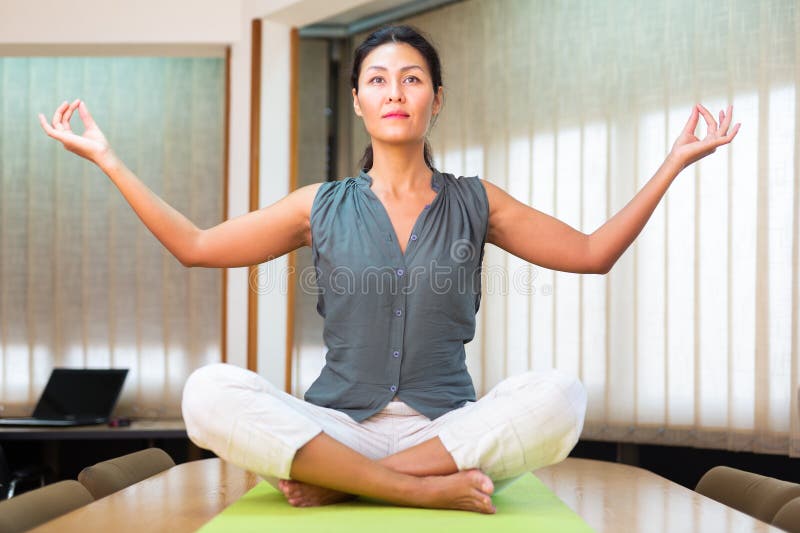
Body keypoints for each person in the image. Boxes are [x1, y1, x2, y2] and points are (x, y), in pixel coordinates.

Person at [39, 25, 739, 515]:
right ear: (358, 101)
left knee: (562, 395)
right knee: (207, 391)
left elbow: (593, 253)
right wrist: (108, 158)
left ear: (436, 96)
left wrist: (670, 164)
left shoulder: (476, 200)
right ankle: (407, 486)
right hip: (336, 426)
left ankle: (353, 484)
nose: (395, 90)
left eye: (412, 78)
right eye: (378, 79)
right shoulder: (320, 204)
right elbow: (194, 244)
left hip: (446, 432)